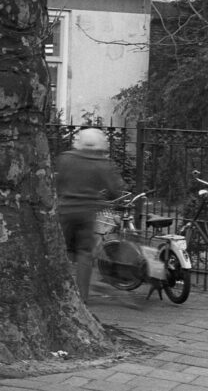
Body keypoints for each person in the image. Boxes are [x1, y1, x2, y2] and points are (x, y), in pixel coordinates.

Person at [54, 126, 126, 302]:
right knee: (84, 253)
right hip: (87, 213)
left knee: (61, 251)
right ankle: (81, 299)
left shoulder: (65, 159)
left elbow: (57, 182)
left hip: (65, 209)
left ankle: (57, 293)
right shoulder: (103, 164)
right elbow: (115, 190)